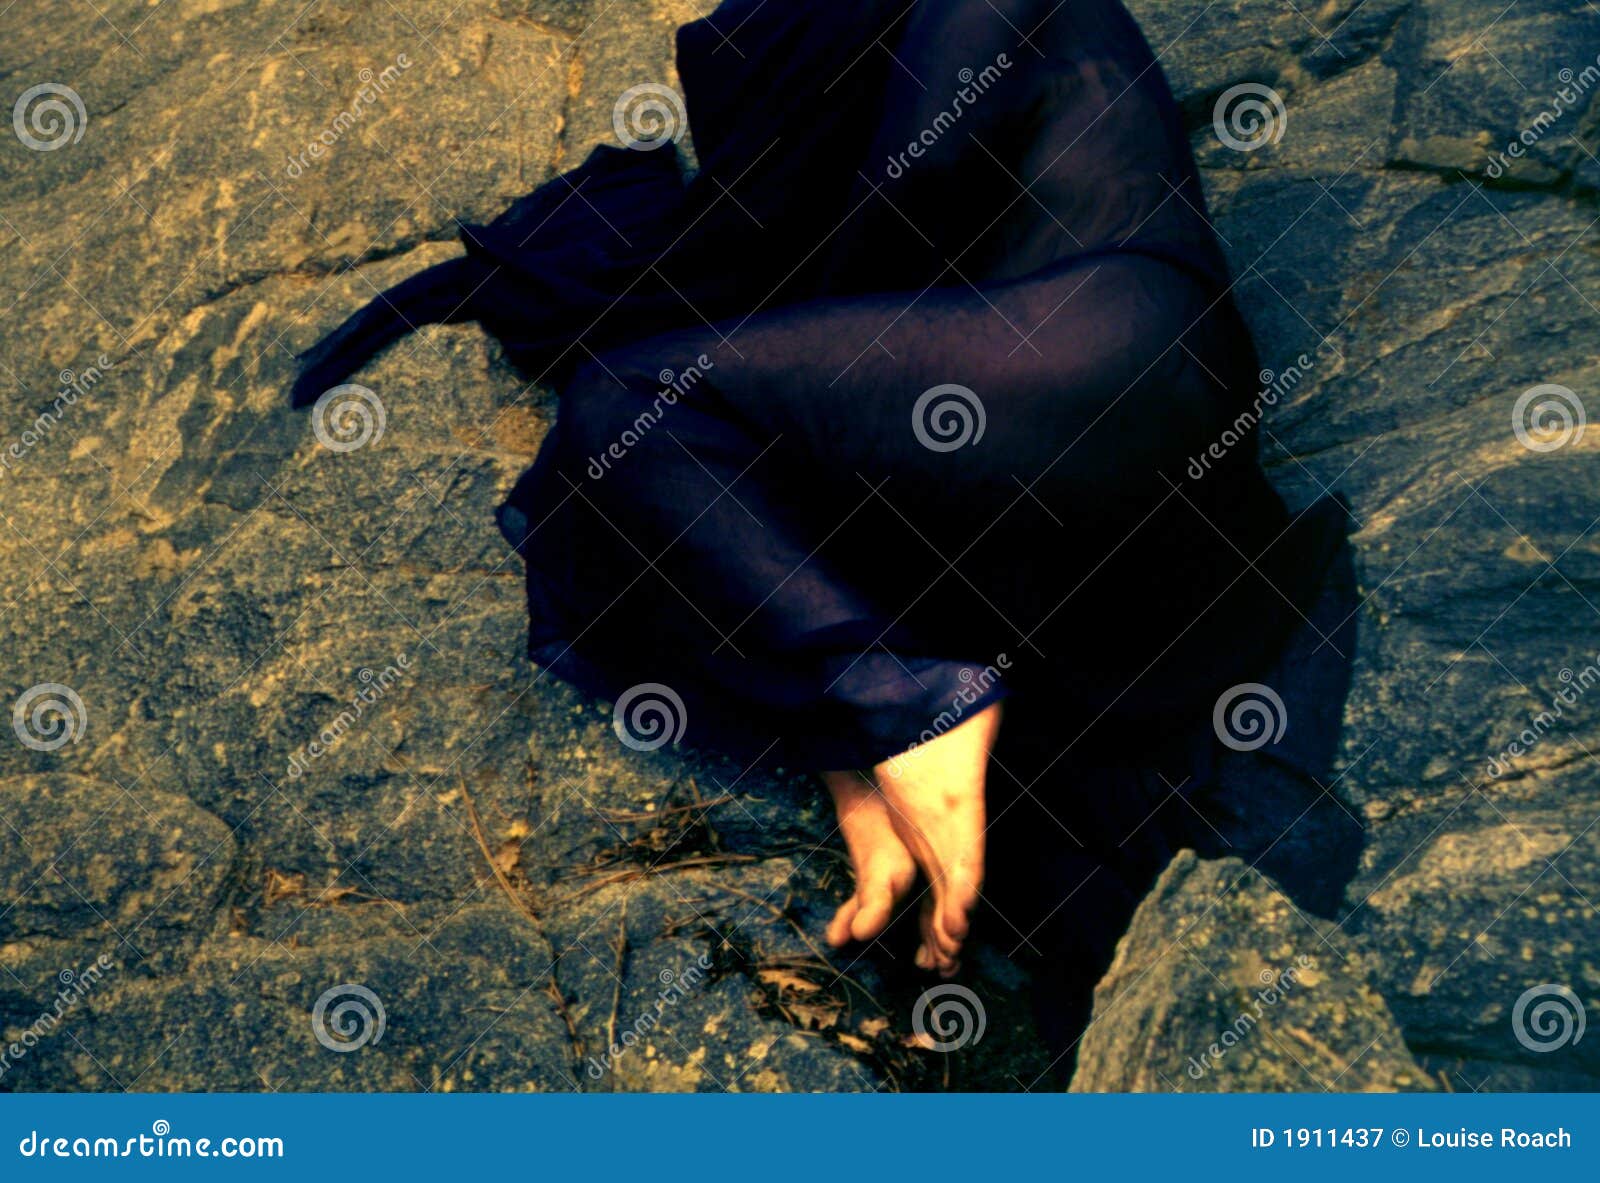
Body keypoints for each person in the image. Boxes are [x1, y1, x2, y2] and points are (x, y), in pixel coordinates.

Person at [293, 0, 1348, 991]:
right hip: (1105, 395)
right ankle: (880, 723)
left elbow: (868, 241)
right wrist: (843, 757)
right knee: (716, 462)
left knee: (634, 407)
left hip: (1098, 355)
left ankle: (913, 703)